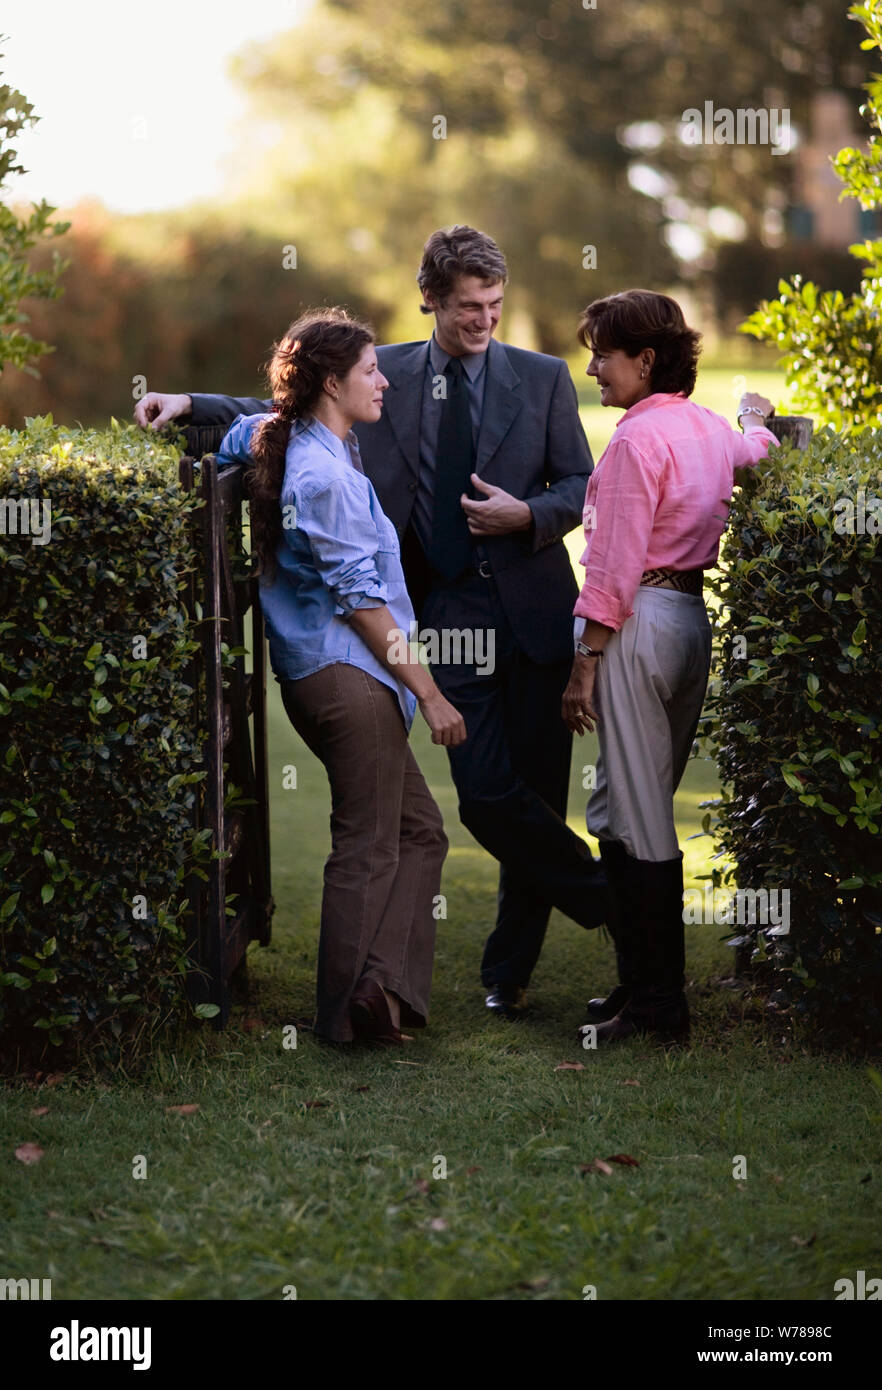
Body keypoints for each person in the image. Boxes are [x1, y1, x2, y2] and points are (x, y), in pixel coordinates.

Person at [135, 225, 608, 1022]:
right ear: (429, 298)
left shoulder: (544, 377)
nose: (483, 321)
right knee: (486, 796)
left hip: (529, 609)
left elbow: (582, 486)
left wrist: (528, 513)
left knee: (534, 792)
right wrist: (190, 404)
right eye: (466, 306)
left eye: (494, 306)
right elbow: (283, 410)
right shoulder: (377, 372)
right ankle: (615, 903)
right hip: (433, 616)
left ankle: (508, 967)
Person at [214, 307, 465, 1046]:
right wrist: (431, 692)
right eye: (369, 372)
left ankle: (379, 990)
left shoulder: (288, 441)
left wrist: (182, 408)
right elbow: (363, 601)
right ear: (331, 382)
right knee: (369, 844)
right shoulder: (324, 474)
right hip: (350, 680)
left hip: (327, 678)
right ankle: (344, 1019)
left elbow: (238, 428)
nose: (384, 381)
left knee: (419, 832)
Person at [561, 289, 777, 1044]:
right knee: (621, 802)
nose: (591, 367)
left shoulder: (632, 443)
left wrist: (585, 662)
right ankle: (636, 989)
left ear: (644, 361)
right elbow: (758, 452)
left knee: (642, 811)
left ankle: (659, 1009)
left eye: (603, 354)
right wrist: (754, 417)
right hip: (689, 623)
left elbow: (613, 567)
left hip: (637, 624)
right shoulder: (709, 428)